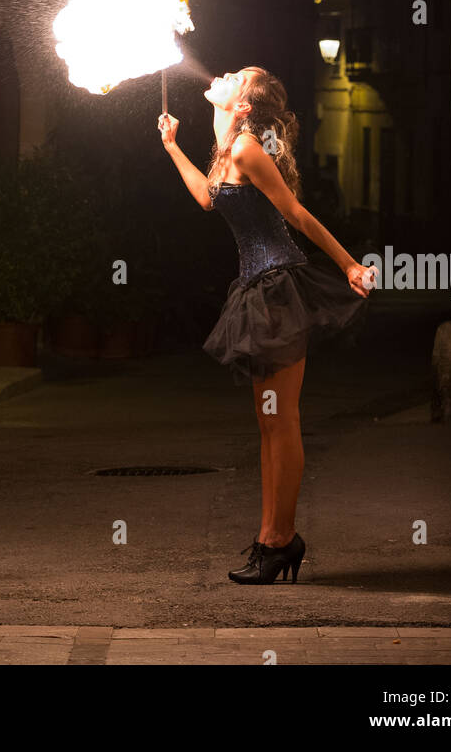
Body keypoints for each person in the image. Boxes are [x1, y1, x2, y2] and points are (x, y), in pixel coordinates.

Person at [158, 66, 376, 586]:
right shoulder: (229, 142)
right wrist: (171, 145)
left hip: (277, 286)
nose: (224, 73)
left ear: (246, 106)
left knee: (283, 422)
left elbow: (296, 215)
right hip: (257, 289)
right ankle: (270, 539)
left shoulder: (247, 148)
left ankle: (280, 540)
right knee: (268, 424)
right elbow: (209, 199)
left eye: (238, 76)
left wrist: (349, 264)